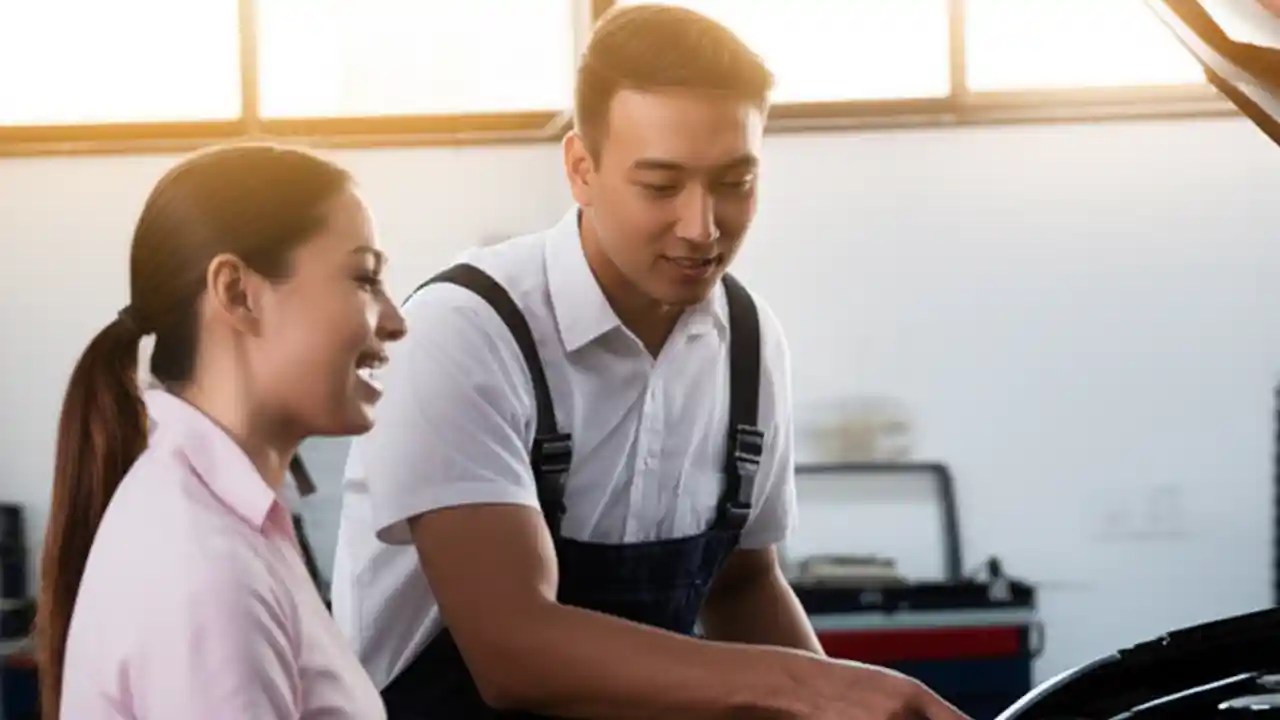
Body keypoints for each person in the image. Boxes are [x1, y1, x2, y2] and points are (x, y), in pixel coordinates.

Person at [331, 5, 969, 719]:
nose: (702, 228)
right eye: (661, 186)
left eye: (735, 182)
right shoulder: (465, 332)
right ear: (581, 168)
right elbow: (511, 650)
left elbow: (741, 586)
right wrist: (823, 687)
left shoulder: (750, 347)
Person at [36, 144, 407, 719]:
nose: (394, 321)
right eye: (364, 278)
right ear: (236, 292)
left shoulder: (219, 518)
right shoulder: (208, 566)